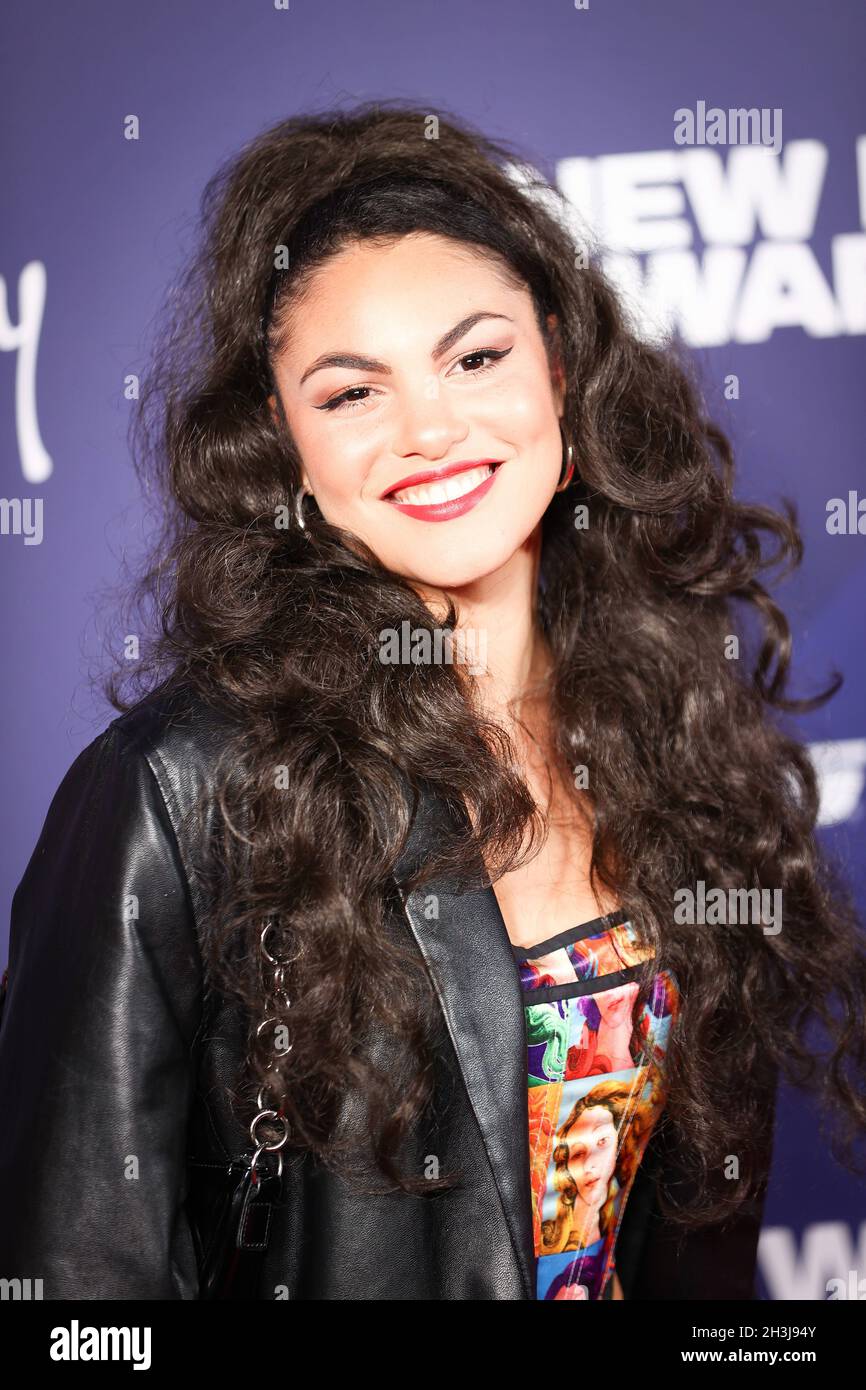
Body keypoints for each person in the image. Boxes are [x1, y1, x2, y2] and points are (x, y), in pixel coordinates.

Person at [1, 99, 865, 1302]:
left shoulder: (676, 738)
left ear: (558, 370)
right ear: (282, 440)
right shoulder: (177, 790)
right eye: (351, 392)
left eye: (476, 357)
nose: (430, 429)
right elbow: (72, 1294)